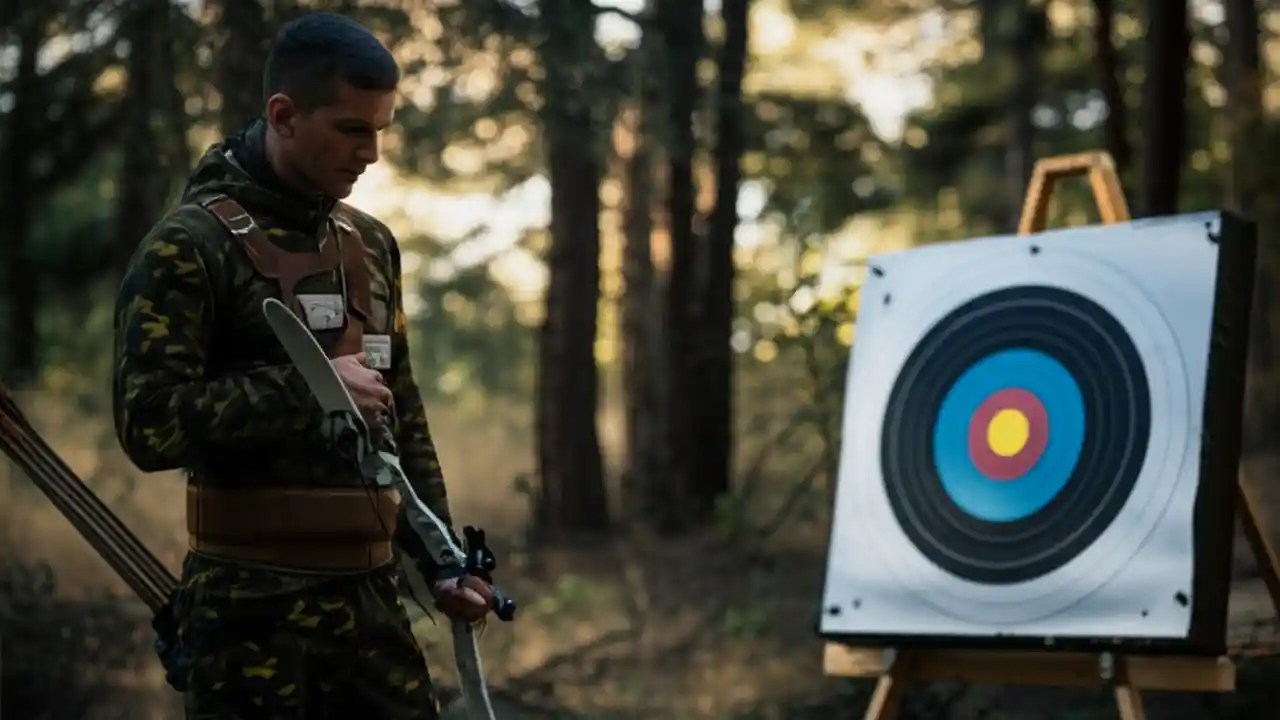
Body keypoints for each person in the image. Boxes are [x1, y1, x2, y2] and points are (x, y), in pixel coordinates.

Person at [112, 12, 494, 719]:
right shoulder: (189, 248)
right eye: (352, 129)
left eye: (380, 129)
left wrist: (439, 559)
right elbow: (148, 427)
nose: (372, 153)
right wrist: (307, 391)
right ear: (284, 115)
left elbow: (400, 419)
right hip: (250, 616)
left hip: (374, 605)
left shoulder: (371, 246)